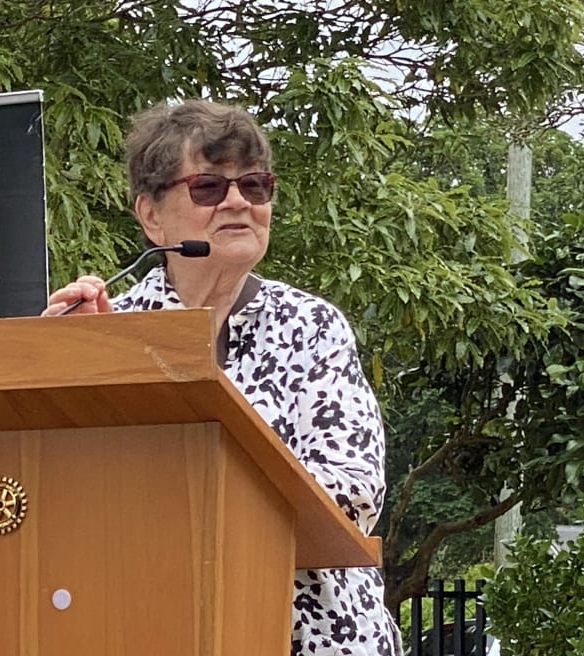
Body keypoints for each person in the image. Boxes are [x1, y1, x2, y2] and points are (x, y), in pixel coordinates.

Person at [42, 99, 401, 656]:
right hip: (146, 627)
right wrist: (60, 363)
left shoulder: (314, 326)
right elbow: (65, 496)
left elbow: (352, 495)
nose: (237, 202)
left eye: (255, 186)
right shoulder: (109, 330)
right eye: (208, 187)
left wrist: (183, 501)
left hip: (314, 638)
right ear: (151, 214)